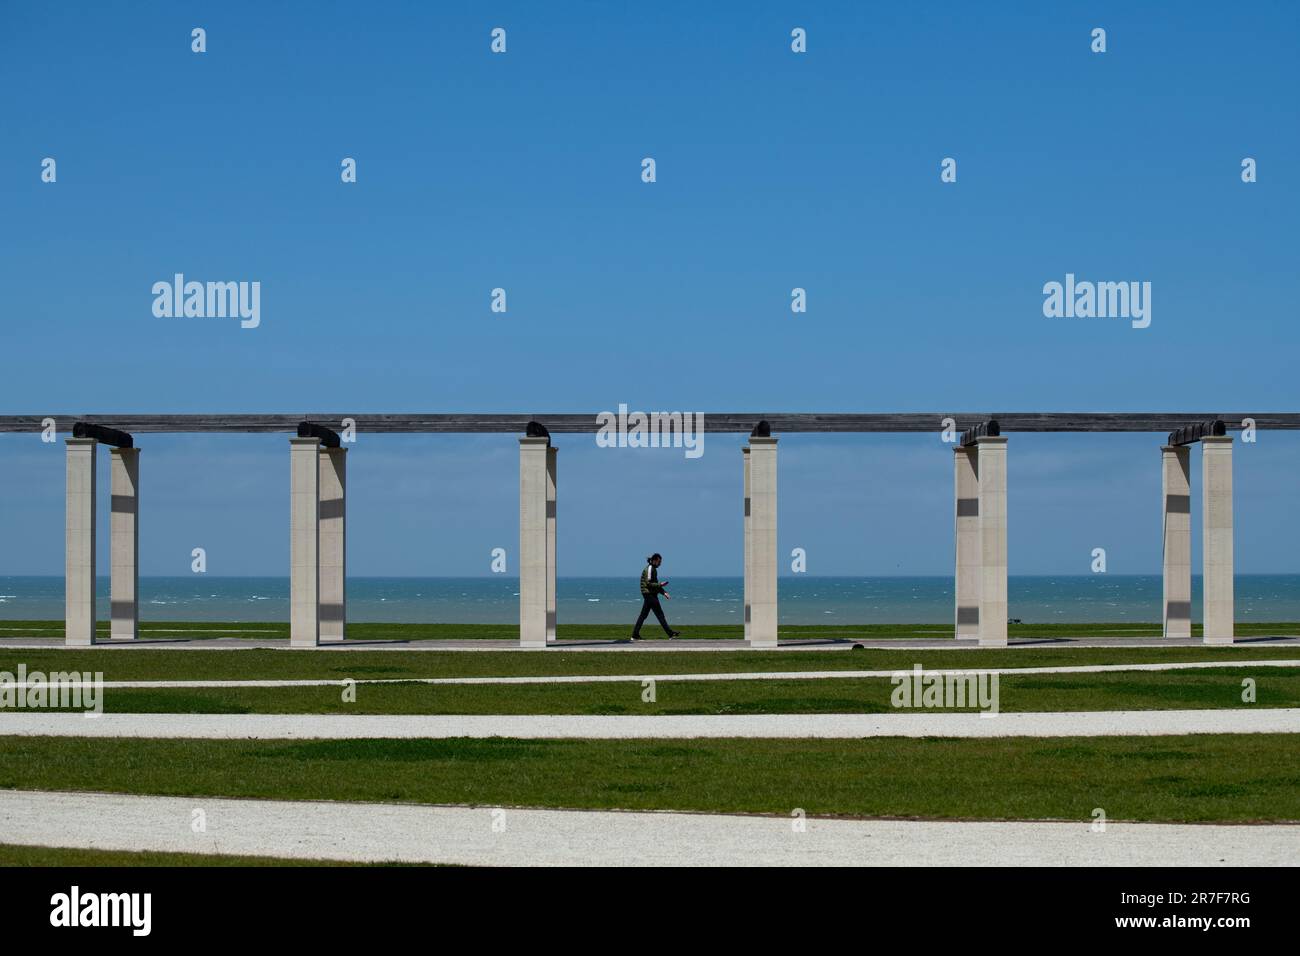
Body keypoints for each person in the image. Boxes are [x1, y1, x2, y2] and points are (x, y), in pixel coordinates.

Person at [631, 553, 680, 640]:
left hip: (649, 594)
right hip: (649, 594)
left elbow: (655, 585)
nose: (660, 564)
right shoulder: (650, 569)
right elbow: (649, 583)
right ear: (654, 561)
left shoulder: (653, 569)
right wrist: (661, 585)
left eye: (660, 562)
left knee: (643, 615)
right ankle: (670, 634)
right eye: (659, 562)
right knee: (660, 614)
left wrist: (664, 592)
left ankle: (635, 635)